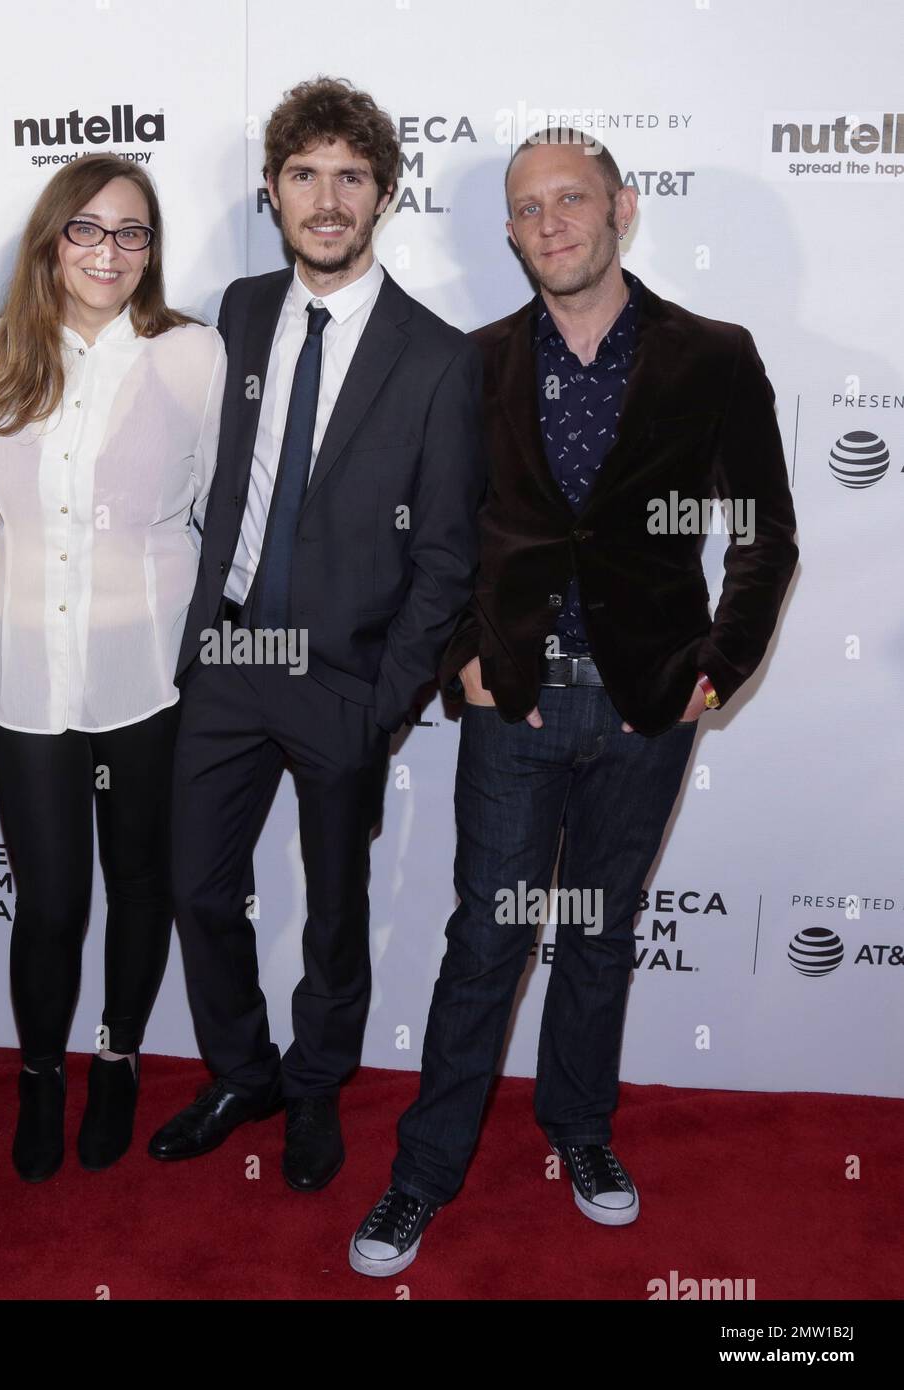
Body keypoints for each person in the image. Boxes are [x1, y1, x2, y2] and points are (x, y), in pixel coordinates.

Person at [350, 127, 799, 1276]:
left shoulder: (712, 354)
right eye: (527, 208)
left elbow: (761, 533)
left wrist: (718, 665)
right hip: (515, 704)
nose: (550, 222)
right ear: (508, 232)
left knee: (599, 939)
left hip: (649, 707)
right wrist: (462, 659)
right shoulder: (478, 360)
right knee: (484, 940)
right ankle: (422, 1174)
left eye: (570, 199)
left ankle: (581, 1134)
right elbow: (442, 535)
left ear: (621, 208)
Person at [148, 78, 484, 1192]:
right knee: (196, 887)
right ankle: (243, 1071)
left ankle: (316, 1084)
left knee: (335, 914)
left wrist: (385, 695)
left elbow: (445, 554)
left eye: (349, 176)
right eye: (304, 175)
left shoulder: (438, 356)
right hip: (230, 660)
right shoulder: (238, 313)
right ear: (273, 190)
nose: (326, 198)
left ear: (384, 193)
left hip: (344, 678)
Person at [0, 154, 224, 1181]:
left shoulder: (193, 355)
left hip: (146, 678)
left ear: (151, 251)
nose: (108, 252)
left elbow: (219, 512)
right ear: (50, 239)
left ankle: (115, 1058)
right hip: (25, 682)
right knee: (52, 902)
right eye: (86, 229)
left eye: (132, 233)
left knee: (139, 882)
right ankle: (39, 1074)